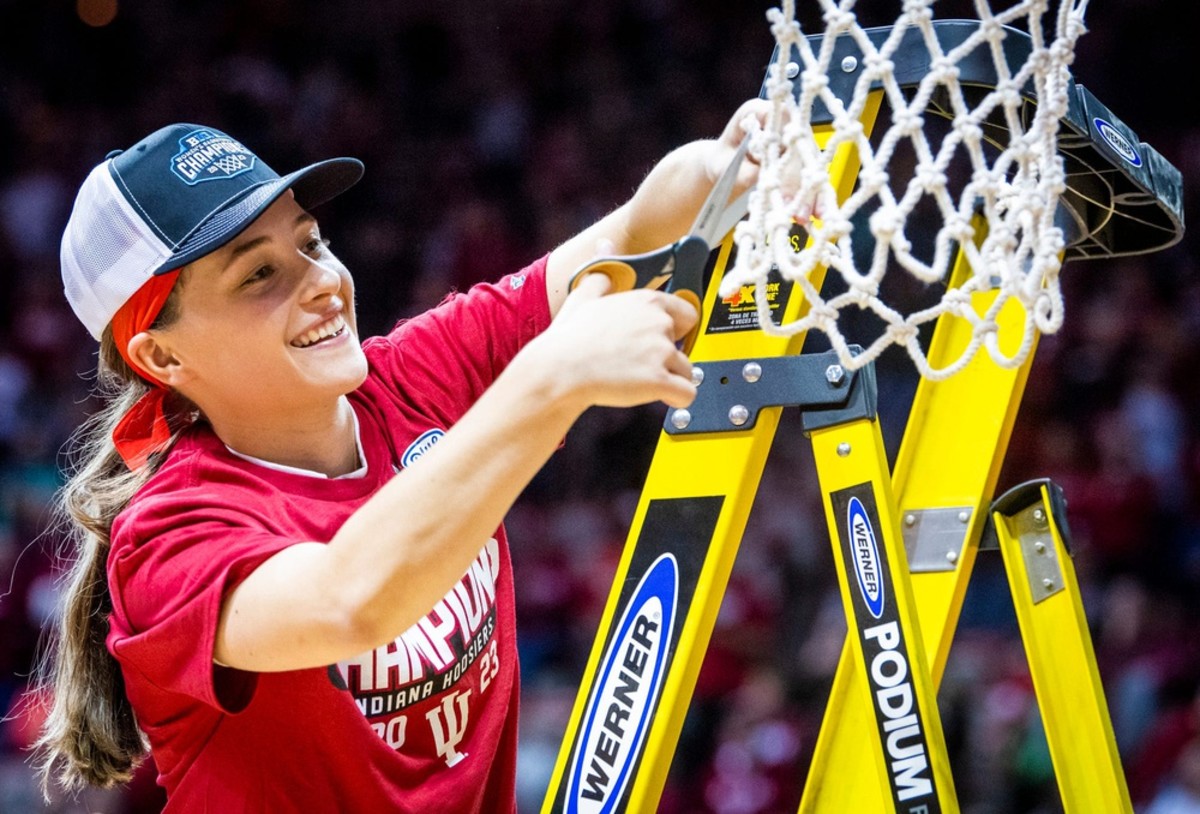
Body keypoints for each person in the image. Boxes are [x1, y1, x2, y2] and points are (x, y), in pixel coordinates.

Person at [32, 100, 768, 811]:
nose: (322, 282)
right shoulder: (169, 535)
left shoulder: (413, 376)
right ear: (161, 354)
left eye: (311, 242)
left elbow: (635, 234)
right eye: (259, 275)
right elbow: (351, 602)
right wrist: (550, 380)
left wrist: (723, 167)